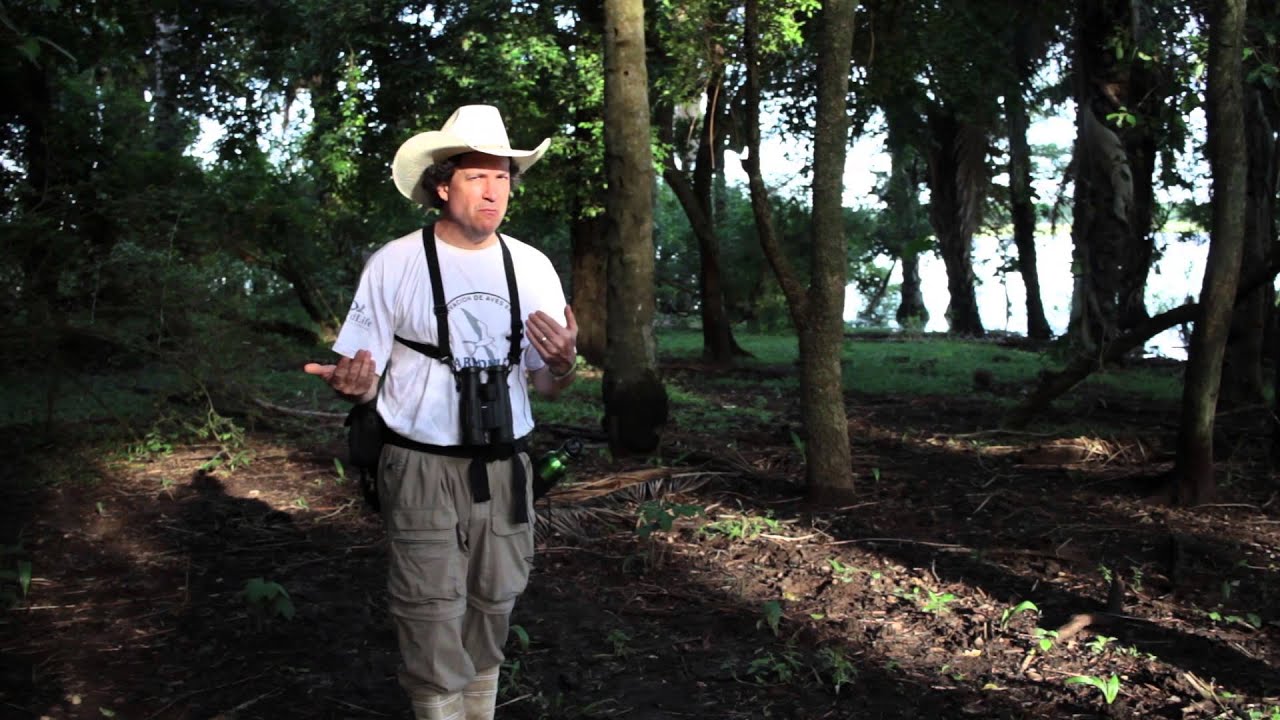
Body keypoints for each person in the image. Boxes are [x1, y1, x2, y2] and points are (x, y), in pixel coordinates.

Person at [304, 104, 578, 720]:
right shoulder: (394, 263)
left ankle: (475, 709)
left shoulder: (533, 267)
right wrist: (352, 386)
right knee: (428, 608)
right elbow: (362, 373)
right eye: (478, 175)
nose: (494, 190)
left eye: (504, 176)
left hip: (506, 467)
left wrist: (562, 364)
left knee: (495, 599)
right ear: (442, 184)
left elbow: (550, 386)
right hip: (419, 463)